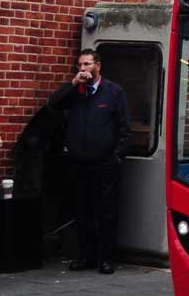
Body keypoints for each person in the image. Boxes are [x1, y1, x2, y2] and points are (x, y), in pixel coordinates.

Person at [49, 49, 130, 274]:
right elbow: (53, 104)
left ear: (98, 66)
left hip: (104, 162)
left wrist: (117, 156)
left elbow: (124, 128)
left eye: (87, 64)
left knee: (105, 211)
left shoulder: (113, 92)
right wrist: (73, 83)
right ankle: (85, 255)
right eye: (80, 65)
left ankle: (106, 258)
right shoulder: (76, 91)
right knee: (82, 210)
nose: (84, 69)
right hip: (78, 162)